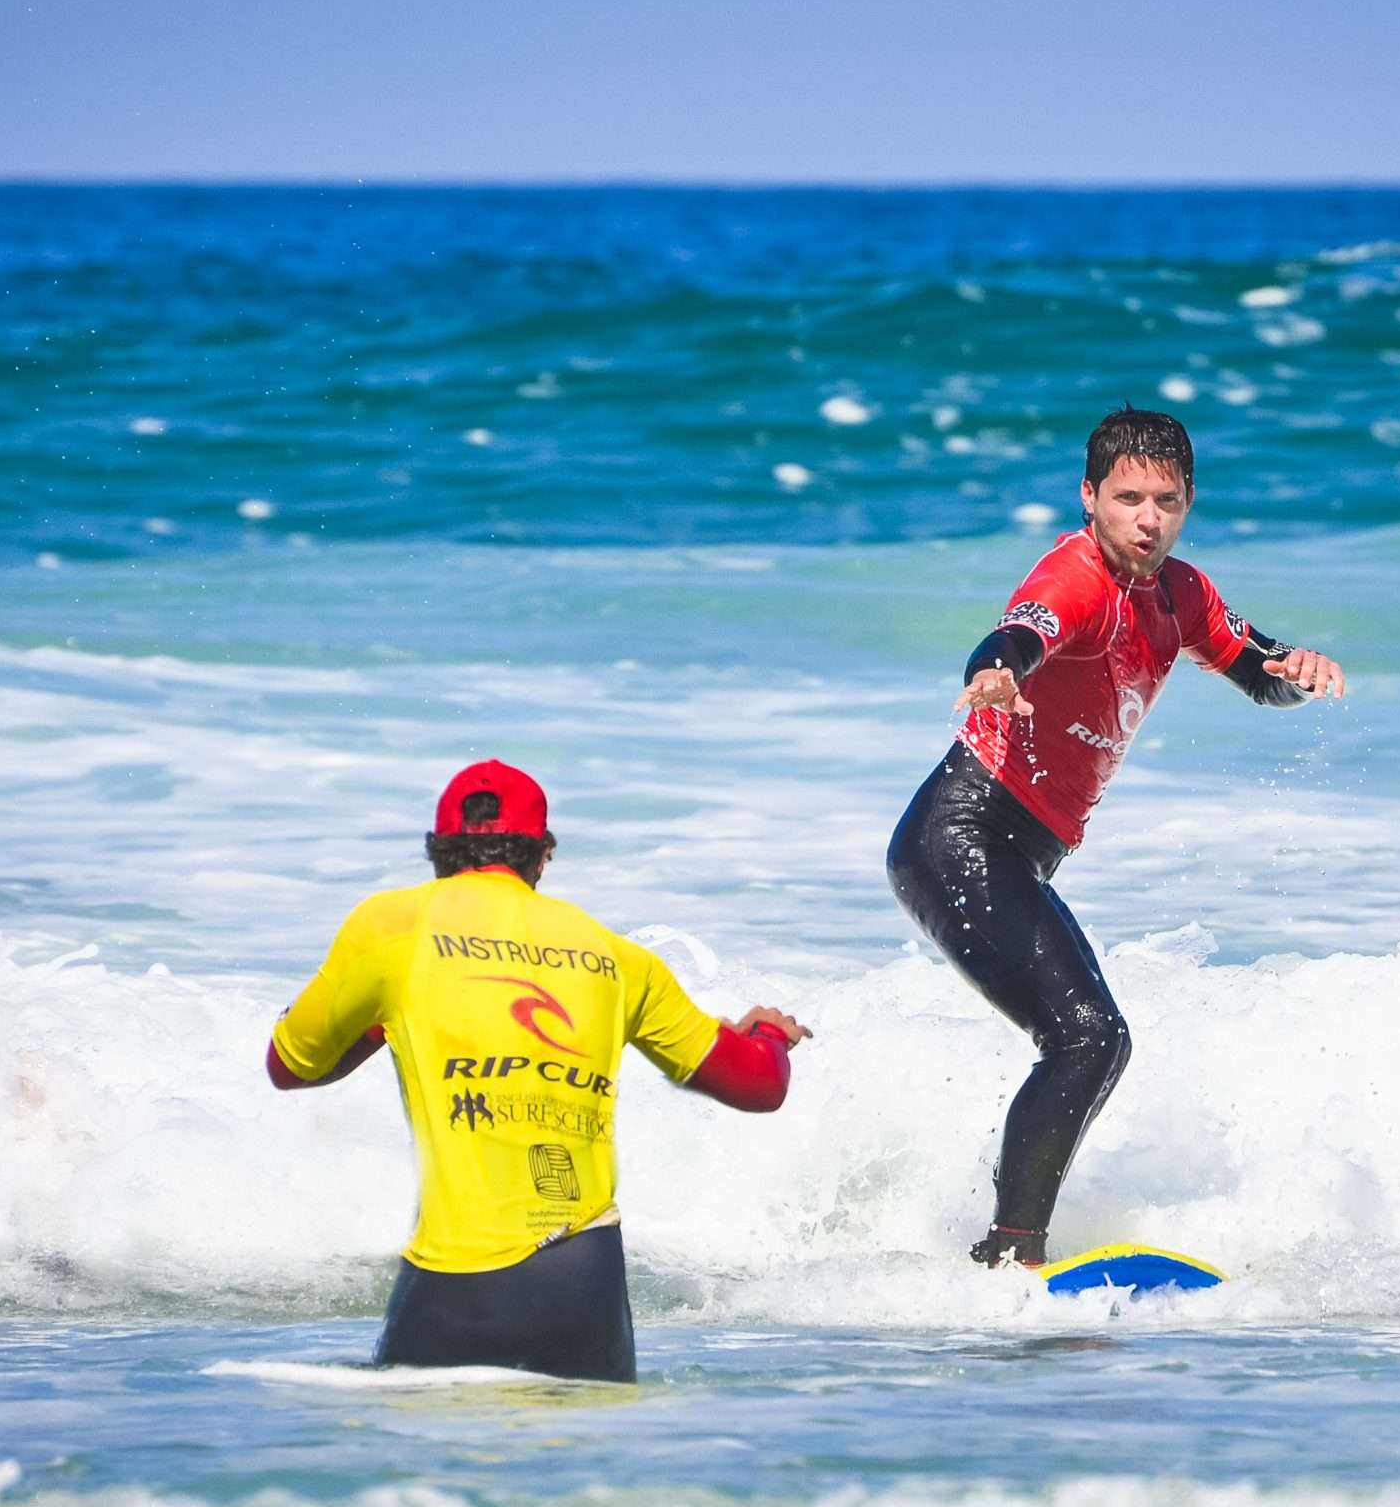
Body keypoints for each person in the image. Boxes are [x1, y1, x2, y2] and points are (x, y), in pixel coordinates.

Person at [886, 407, 1343, 1269]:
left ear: (1187, 503)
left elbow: (1257, 670)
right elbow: (1021, 632)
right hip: (961, 833)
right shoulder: (1076, 578)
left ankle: (1007, 1249)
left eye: (1165, 500)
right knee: (1089, 1037)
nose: (1147, 518)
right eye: (1127, 497)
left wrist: (1298, 676)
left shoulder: (1184, 594)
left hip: (1015, 851)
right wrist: (992, 673)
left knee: (1092, 1039)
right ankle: (1011, 1259)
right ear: (1089, 497)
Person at [266, 759, 809, 1381]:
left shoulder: (389, 927)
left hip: (458, 1286)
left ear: (437, 852)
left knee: (419, 1469)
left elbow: (290, 1064)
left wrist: (386, 1017)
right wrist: (768, 1034)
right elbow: (756, 1084)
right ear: (542, 857)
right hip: (585, 1286)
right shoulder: (615, 954)